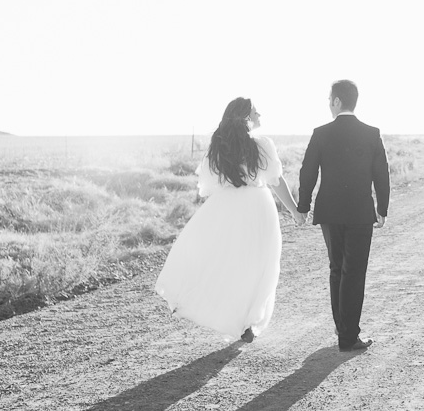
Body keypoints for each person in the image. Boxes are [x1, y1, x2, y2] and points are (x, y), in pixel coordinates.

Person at [155, 97, 302, 341]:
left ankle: (234, 318)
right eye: (255, 112)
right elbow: (276, 181)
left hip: (227, 206)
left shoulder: (218, 147)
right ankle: (249, 321)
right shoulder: (263, 145)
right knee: (260, 265)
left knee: (229, 263)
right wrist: (294, 210)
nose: (259, 115)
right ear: (246, 117)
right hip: (258, 206)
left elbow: (208, 186)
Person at [297, 80, 390, 352]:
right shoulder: (371, 134)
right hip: (360, 211)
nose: (329, 104)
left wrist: (303, 206)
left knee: (337, 268)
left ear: (337, 101)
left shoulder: (320, 133)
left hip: (330, 210)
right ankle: (348, 336)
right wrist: (382, 208)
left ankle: (342, 328)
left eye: (330, 99)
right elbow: (381, 174)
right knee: (354, 272)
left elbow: (307, 171)